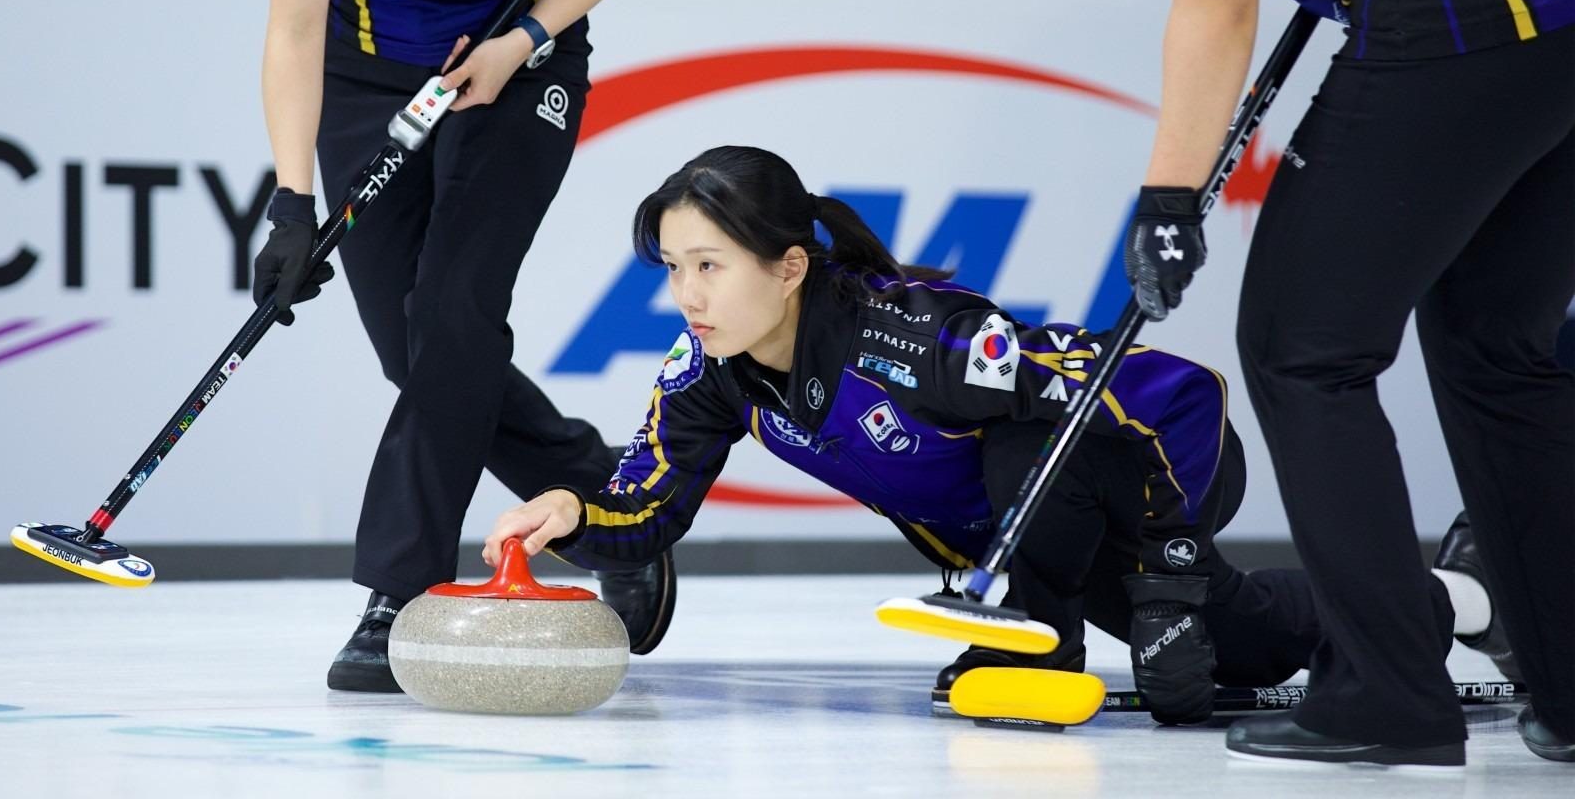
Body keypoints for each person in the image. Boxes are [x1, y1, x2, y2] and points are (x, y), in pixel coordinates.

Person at [480, 146, 1508, 725]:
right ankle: (1461, 593)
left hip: (1156, 456)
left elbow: (1138, 403)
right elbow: (648, 502)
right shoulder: (708, 376)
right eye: (671, 267)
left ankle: (1040, 623)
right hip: (1034, 534)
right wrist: (571, 510)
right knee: (1250, 646)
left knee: (1030, 454)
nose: (686, 295)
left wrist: (1170, 579)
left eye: (709, 265)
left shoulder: (919, 336)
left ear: (789, 267)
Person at [1040, 0, 1575, 767]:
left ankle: (1387, 694)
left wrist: (1167, 197)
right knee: (1490, 346)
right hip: (1561, 7)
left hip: (1463, 18)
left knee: (1303, 349)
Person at [249, 0, 673, 692]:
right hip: (367, 74)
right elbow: (295, 19)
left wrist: (522, 37)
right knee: (418, 350)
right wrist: (289, 198)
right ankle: (608, 503)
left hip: (522, 66)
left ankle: (398, 592)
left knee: (453, 314)